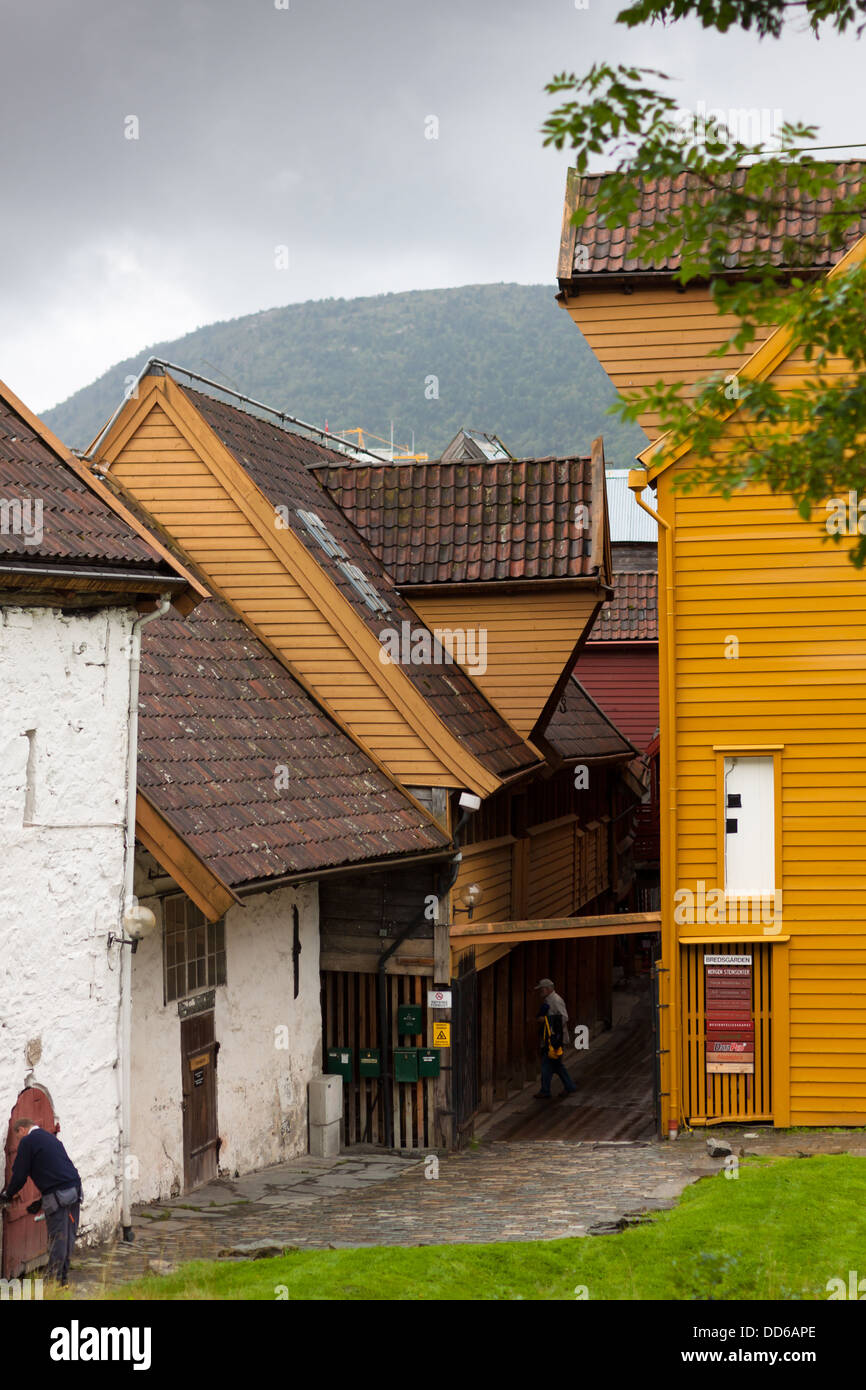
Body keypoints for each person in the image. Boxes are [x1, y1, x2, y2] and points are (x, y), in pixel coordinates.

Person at [0, 1117, 82, 1285]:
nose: (19, 1141)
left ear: (22, 1130)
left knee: (58, 1238)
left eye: (18, 1137)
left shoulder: (28, 1140)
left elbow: (20, 1175)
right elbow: (55, 1170)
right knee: (68, 1238)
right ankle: (62, 1280)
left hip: (59, 1196)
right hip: (74, 1190)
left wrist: (8, 1195)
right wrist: (41, 1201)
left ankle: (53, 1282)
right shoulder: (50, 1138)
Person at [534, 978, 578, 1098]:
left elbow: (564, 1017)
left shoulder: (556, 1000)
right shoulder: (549, 1000)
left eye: (541, 989)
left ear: (548, 989)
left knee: (547, 1065)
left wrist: (546, 1020)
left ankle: (546, 1090)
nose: (540, 992)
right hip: (552, 1038)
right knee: (556, 1065)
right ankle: (568, 1086)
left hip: (555, 1039)